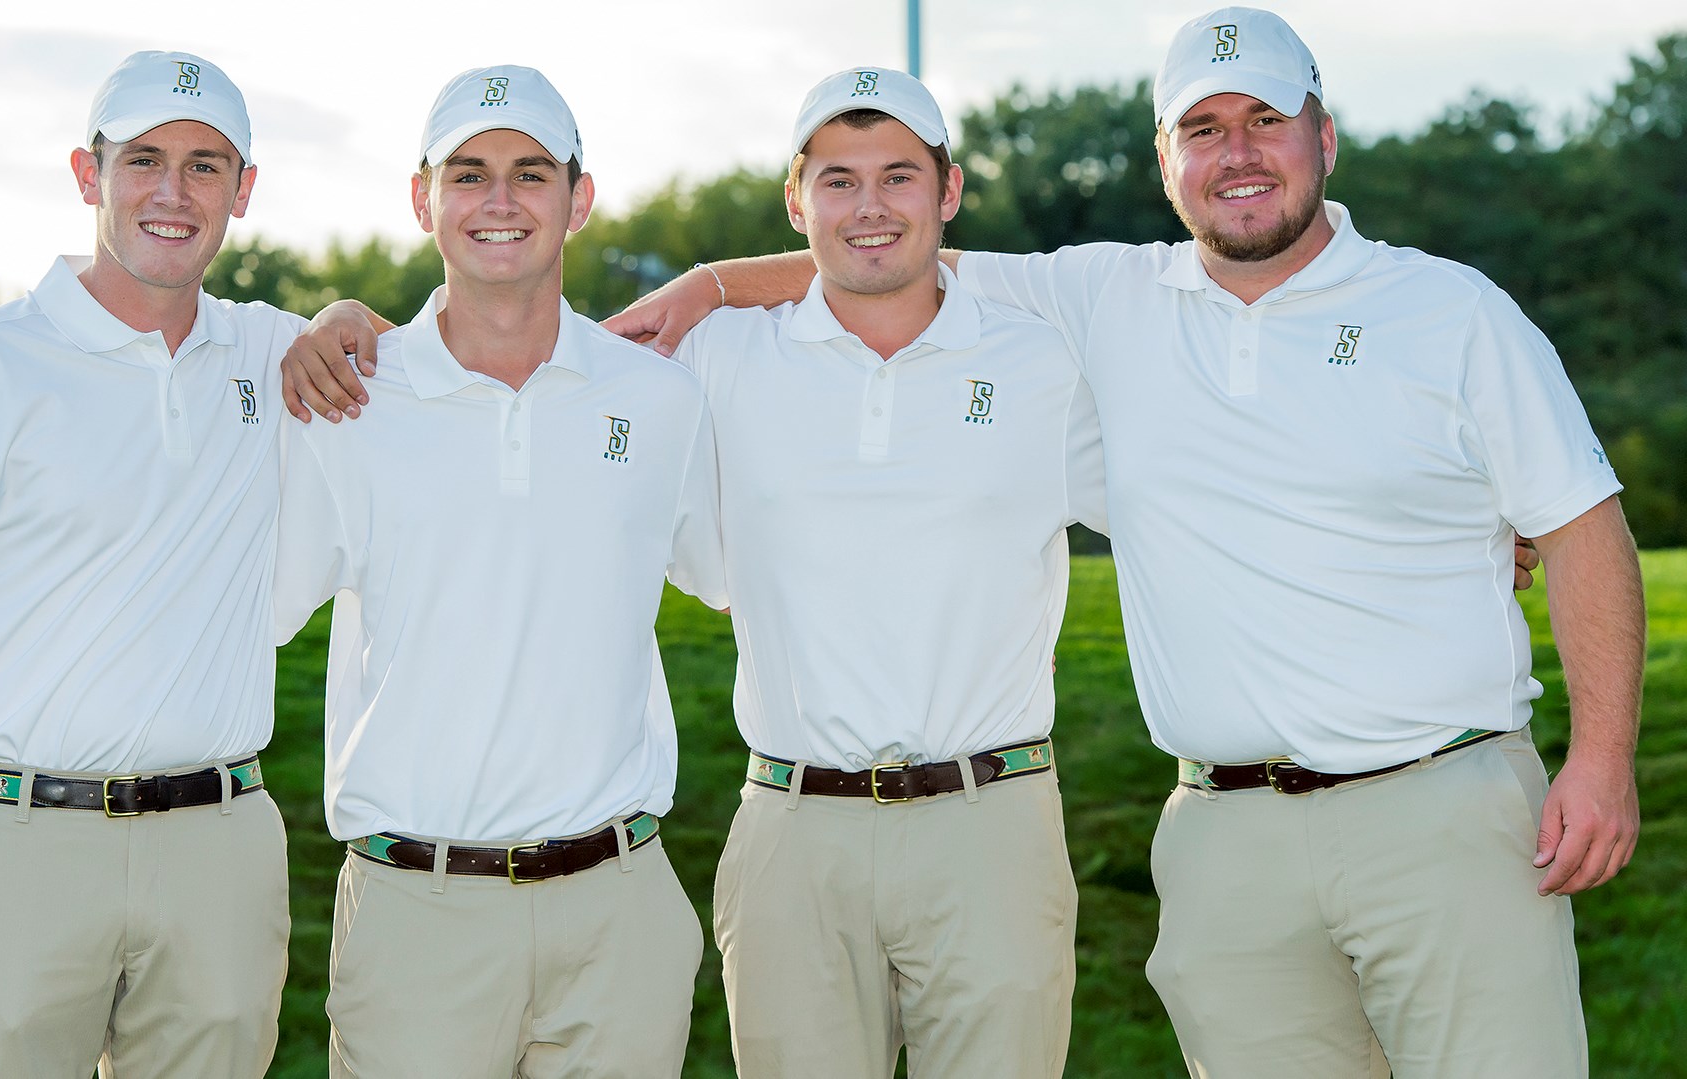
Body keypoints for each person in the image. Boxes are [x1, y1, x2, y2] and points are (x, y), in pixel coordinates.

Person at [598, 8, 1644, 1078]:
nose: (1235, 153)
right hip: (1225, 833)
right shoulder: (1107, 298)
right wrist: (712, 284)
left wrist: (1603, 760)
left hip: (1444, 803)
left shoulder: (1450, 310)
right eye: (1201, 128)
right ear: (1165, 160)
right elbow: (883, 257)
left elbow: (1583, 522)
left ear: (1323, 139)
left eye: (1265, 120)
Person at [281, 67, 1104, 1078]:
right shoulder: (683, 368)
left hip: (979, 818)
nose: (871, 205)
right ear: (797, 199)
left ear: (950, 189)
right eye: (838, 179)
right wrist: (333, 323)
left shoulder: (1032, 361)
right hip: (772, 828)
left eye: (899, 175)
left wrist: (714, 277)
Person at [0, 50, 300, 1077]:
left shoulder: (273, 355)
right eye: (143, 160)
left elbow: (458, 349)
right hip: (15, 845)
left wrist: (352, 320)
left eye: (206, 165)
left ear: (243, 190)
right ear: (89, 175)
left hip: (220, 851)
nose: (172, 193)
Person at [269, 65, 723, 1077]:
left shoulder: (657, 400)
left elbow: (748, 574)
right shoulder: (350, 401)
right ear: (423, 197)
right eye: (468, 174)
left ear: (581, 197)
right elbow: (251, 608)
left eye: (530, 172)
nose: (501, 201)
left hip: (619, 907)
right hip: (417, 910)